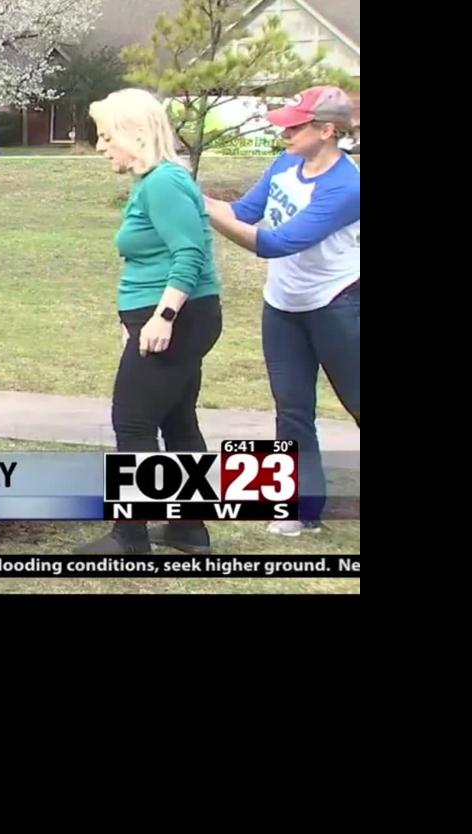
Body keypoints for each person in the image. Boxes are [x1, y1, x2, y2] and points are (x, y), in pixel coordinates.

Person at [204, 86, 359, 537]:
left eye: (296, 125)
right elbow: (243, 212)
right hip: (283, 306)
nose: (285, 132)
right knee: (291, 410)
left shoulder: (347, 187)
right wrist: (188, 191)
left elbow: (275, 243)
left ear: (328, 130)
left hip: (338, 305)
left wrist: (202, 209)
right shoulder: (284, 164)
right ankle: (298, 509)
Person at [74, 88, 223, 556]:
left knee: (133, 421)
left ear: (134, 133)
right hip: (167, 316)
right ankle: (188, 529)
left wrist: (162, 316)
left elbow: (190, 254)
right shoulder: (154, 181)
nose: (100, 147)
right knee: (177, 420)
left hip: (177, 317)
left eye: (105, 136)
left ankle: (130, 536)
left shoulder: (164, 182)